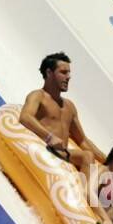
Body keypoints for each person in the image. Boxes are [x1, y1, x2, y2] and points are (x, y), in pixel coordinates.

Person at [18, 52, 106, 186]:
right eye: (63, 72)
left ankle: (88, 196)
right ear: (49, 73)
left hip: (63, 154)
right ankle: (87, 197)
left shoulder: (69, 106)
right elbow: (25, 116)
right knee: (86, 156)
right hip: (45, 149)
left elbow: (82, 140)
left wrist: (108, 161)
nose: (68, 77)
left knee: (91, 157)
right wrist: (49, 137)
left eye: (69, 73)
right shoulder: (38, 96)